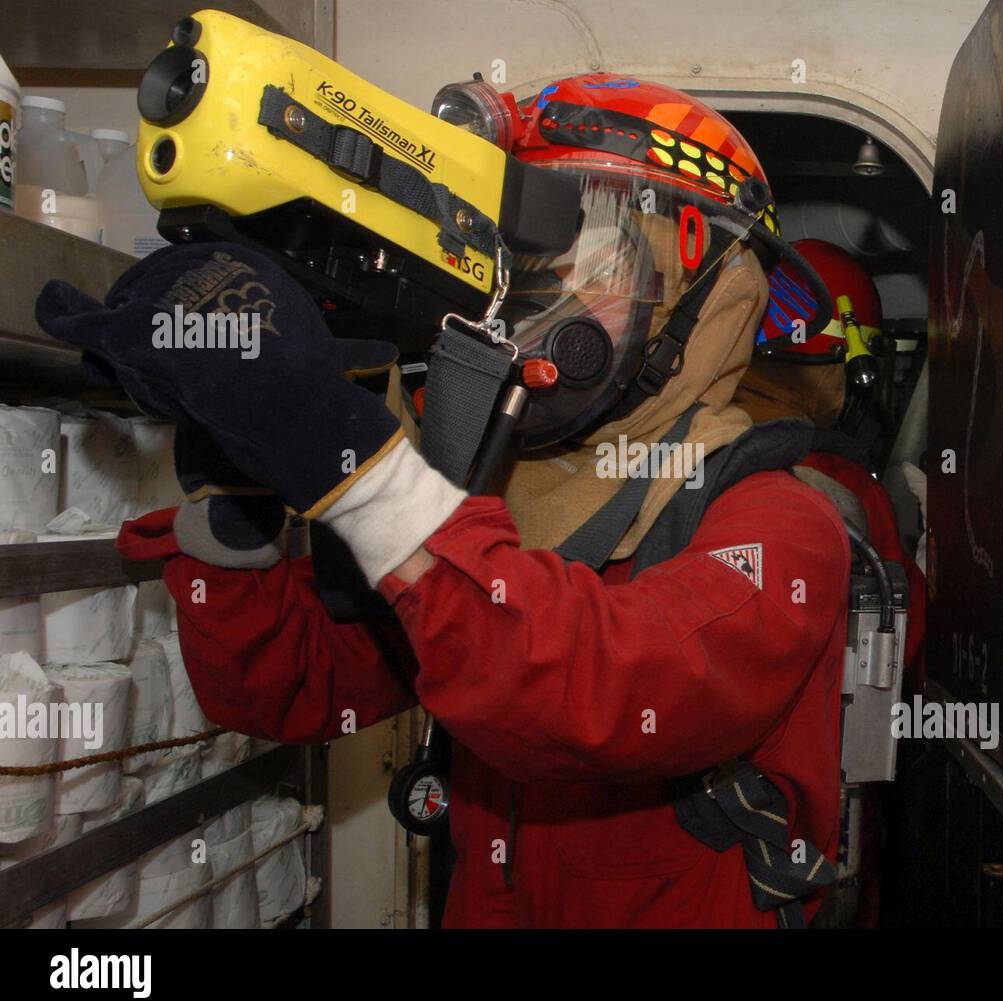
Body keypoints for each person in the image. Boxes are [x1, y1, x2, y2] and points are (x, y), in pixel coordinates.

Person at [36, 75, 853, 929]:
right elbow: (289, 688)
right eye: (527, 254)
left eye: (596, 255)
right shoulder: (495, 491)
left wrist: (353, 464)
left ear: (706, 293)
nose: (542, 291)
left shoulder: (780, 529)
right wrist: (234, 472)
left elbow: (590, 690)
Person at [734, 237, 927, 927]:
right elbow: (903, 652)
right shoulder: (844, 484)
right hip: (816, 830)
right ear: (849, 365)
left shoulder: (686, 450)